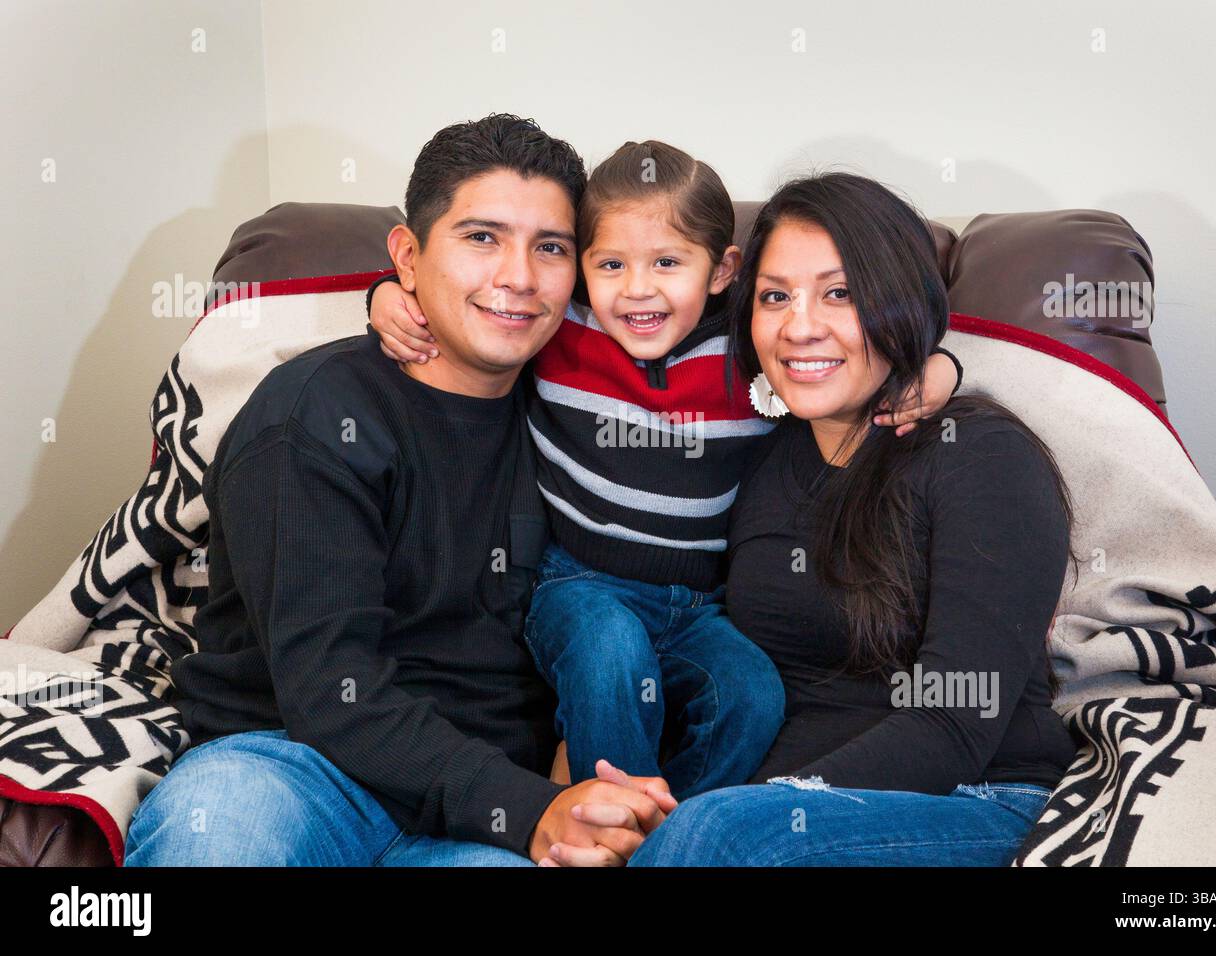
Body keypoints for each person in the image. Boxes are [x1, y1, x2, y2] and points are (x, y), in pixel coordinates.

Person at [123, 115, 676, 868]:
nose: (518, 276)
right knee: (216, 833)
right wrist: (532, 809)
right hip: (297, 769)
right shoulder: (314, 416)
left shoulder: (578, 418)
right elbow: (330, 689)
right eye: (482, 238)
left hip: (479, 808)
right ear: (408, 258)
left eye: (549, 247)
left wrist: (895, 382)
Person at [367, 142, 962, 798]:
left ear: (720, 270)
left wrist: (938, 368)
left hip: (699, 605)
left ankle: (672, 826)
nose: (638, 288)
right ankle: (612, 821)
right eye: (611, 264)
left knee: (752, 694)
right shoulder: (562, 332)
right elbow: (482, 305)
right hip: (579, 587)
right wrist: (386, 293)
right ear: (580, 270)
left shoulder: (748, 352)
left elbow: (852, 359)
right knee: (611, 654)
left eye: (668, 263)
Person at [620, 172, 1080, 866]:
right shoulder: (760, 458)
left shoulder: (982, 458)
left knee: (723, 837)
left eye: (841, 293)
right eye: (775, 296)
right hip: (760, 817)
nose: (800, 326)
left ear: (902, 301)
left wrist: (753, 806)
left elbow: (954, 724)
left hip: (973, 803)